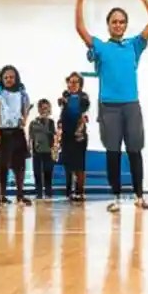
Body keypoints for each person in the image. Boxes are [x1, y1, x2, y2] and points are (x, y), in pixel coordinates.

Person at [74, 0, 148, 211]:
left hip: (131, 105)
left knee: (134, 151)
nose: (118, 25)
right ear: (109, 25)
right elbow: (80, 29)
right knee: (113, 152)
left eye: (122, 22)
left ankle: (139, 197)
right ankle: (116, 198)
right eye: (114, 22)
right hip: (109, 107)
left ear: (125, 24)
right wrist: (81, 0)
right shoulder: (101, 47)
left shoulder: (134, 45)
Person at [0, 65, 32, 206]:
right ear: (2, 79)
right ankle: (2, 195)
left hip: (17, 132)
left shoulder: (22, 94)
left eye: (11, 77)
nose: (9, 80)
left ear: (16, 78)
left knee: (19, 166)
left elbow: (25, 110)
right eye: (6, 77)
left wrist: (25, 118)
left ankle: (20, 195)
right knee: (2, 166)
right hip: (3, 132)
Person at [58, 73, 90, 201]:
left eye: (76, 82)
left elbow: (82, 111)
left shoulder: (83, 97)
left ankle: (80, 191)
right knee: (68, 164)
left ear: (80, 84)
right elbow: (64, 113)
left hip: (78, 134)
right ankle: (68, 191)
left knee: (79, 165)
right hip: (66, 134)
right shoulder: (65, 95)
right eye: (70, 82)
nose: (72, 84)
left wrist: (67, 103)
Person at [29, 99, 57, 200]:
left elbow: (53, 135)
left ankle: (48, 193)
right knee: (37, 173)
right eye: (42, 108)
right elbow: (31, 136)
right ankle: (38, 194)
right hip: (37, 151)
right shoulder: (33, 122)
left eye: (46, 108)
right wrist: (30, 148)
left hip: (48, 150)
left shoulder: (51, 122)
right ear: (39, 109)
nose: (44, 110)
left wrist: (55, 150)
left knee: (48, 173)